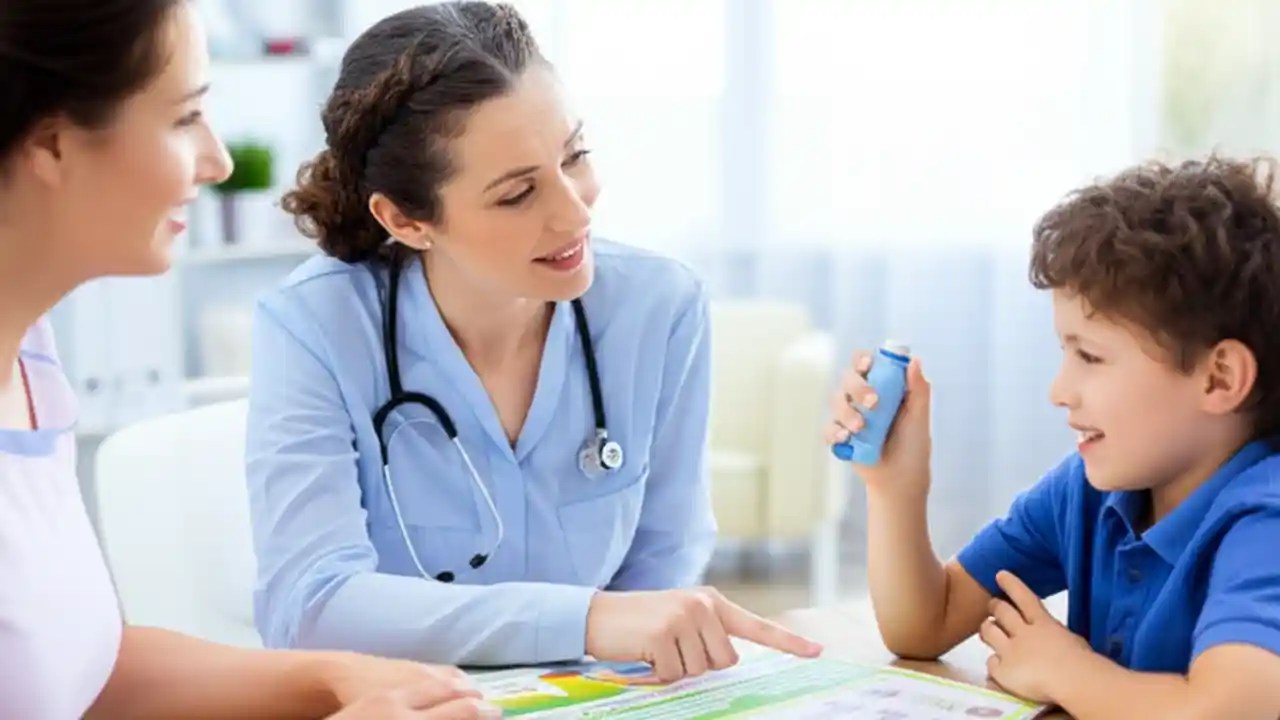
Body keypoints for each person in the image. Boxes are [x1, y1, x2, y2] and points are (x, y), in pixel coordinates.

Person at [245, 0, 822, 682]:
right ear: (405, 219)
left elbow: (664, 556)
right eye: (518, 193)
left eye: (574, 155)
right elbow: (309, 605)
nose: (575, 212)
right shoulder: (316, 326)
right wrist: (586, 620)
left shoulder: (658, 308)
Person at [0, 1, 499, 717]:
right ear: (52, 142)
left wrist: (334, 679)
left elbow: (80, 669)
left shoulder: (29, 360)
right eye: (183, 118)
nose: (219, 159)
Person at [825, 156, 1280, 718]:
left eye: (1090, 355)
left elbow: (1231, 710)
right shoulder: (1088, 491)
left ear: (1220, 378)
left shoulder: (1266, 518)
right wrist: (895, 488)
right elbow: (926, 623)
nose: (1059, 390)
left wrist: (1069, 671)